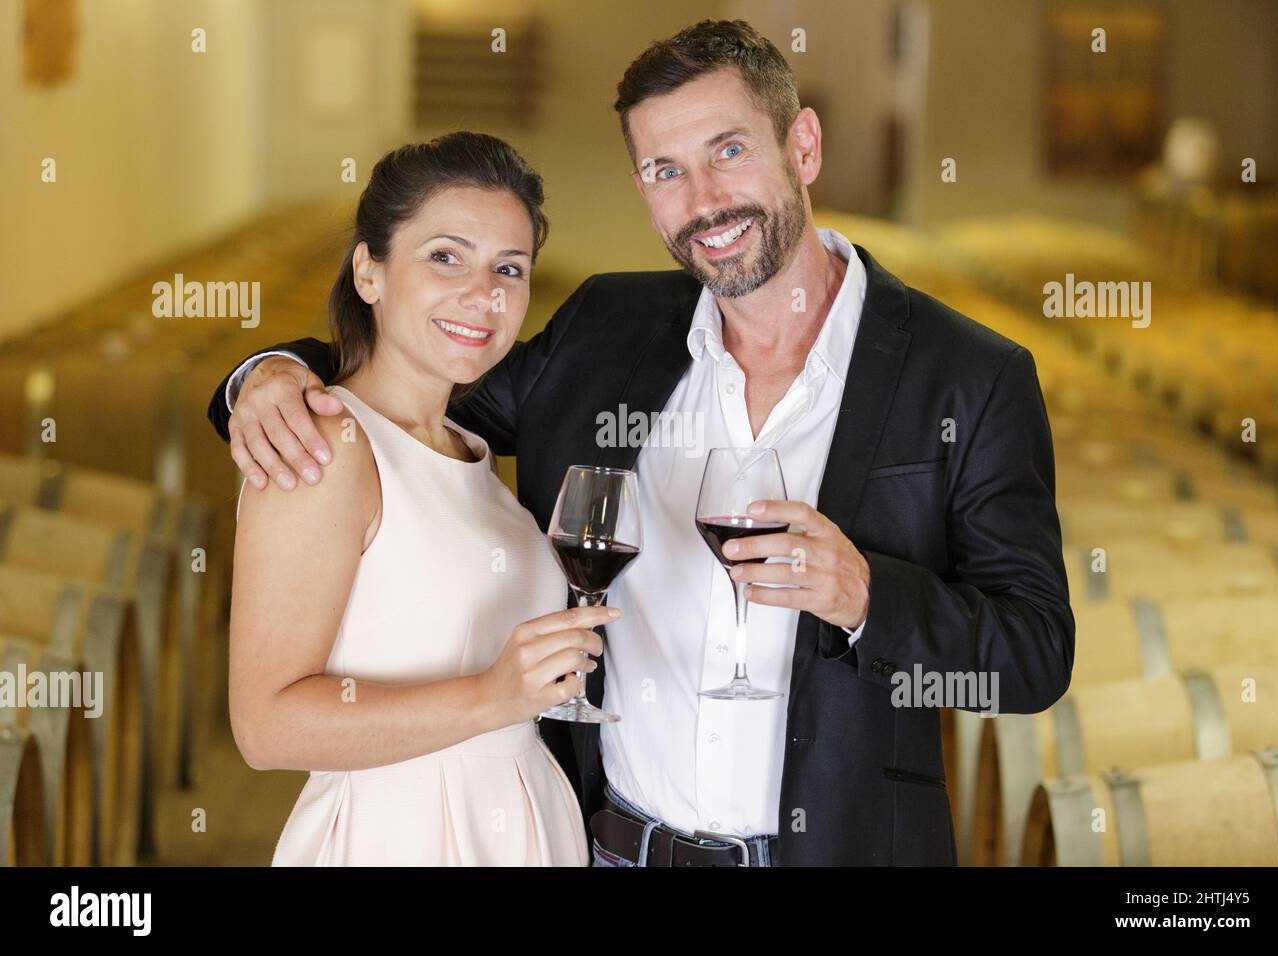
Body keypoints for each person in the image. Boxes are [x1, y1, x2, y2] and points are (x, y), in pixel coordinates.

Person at [211, 20, 1074, 866]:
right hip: (609, 846)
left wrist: (866, 597)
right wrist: (267, 373)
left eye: (728, 150)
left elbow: (1034, 654)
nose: (703, 200)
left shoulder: (968, 375)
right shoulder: (608, 330)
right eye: (667, 170)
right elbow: (418, 379)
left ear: (803, 147)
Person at [227, 131, 608, 866]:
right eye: (445, 257)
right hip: (401, 834)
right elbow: (264, 727)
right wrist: (490, 698)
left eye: (510, 268)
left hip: (524, 822)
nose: (485, 293)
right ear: (368, 272)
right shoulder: (325, 443)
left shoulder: (473, 449)